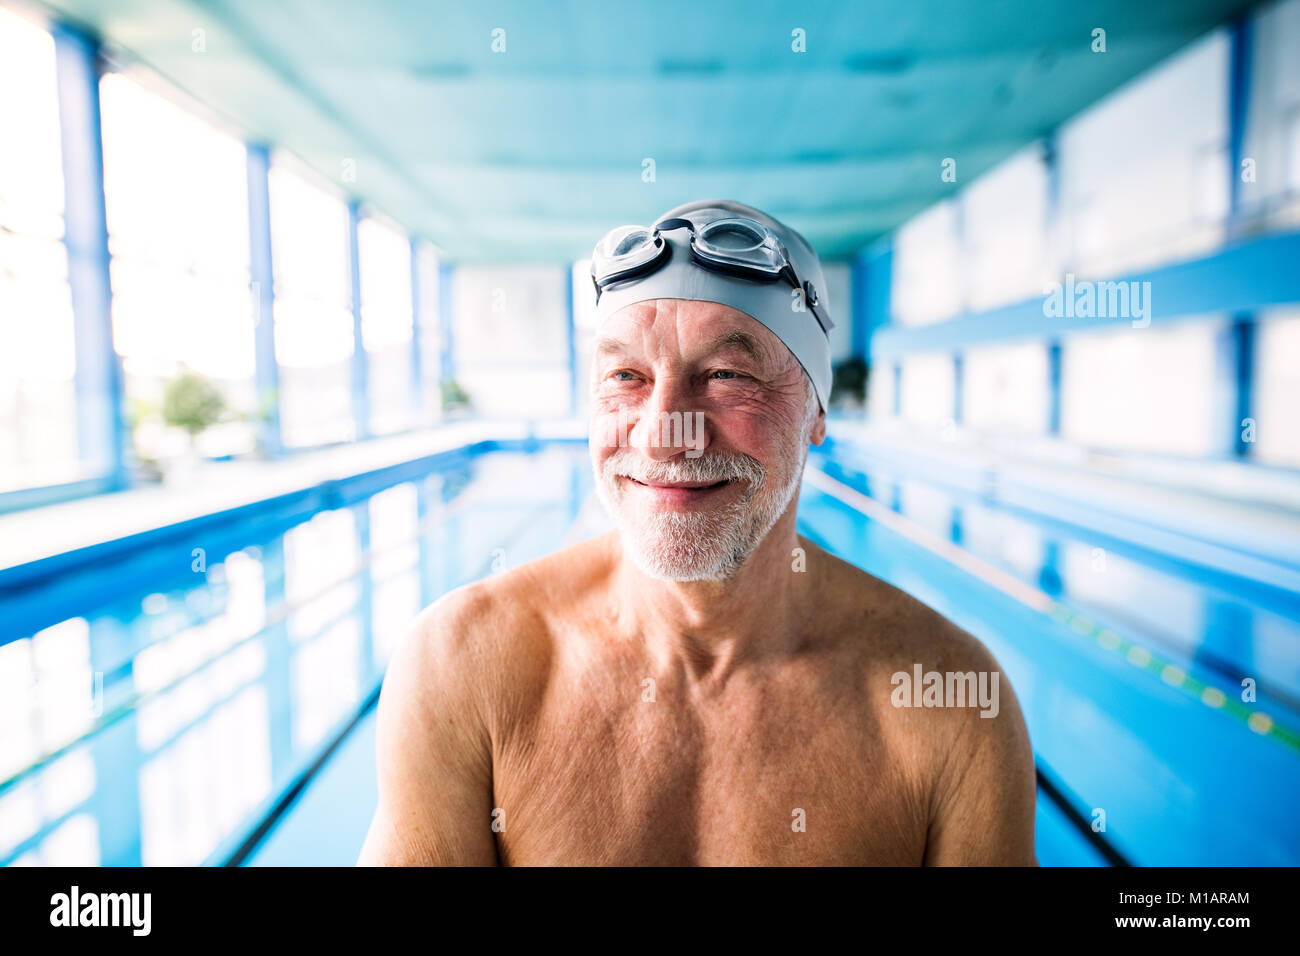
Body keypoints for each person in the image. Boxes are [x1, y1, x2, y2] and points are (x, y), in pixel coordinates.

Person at [358, 199, 1037, 865]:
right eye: (626, 376)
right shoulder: (463, 665)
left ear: (818, 413)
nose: (664, 433)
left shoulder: (950, 698)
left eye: (725, 376)